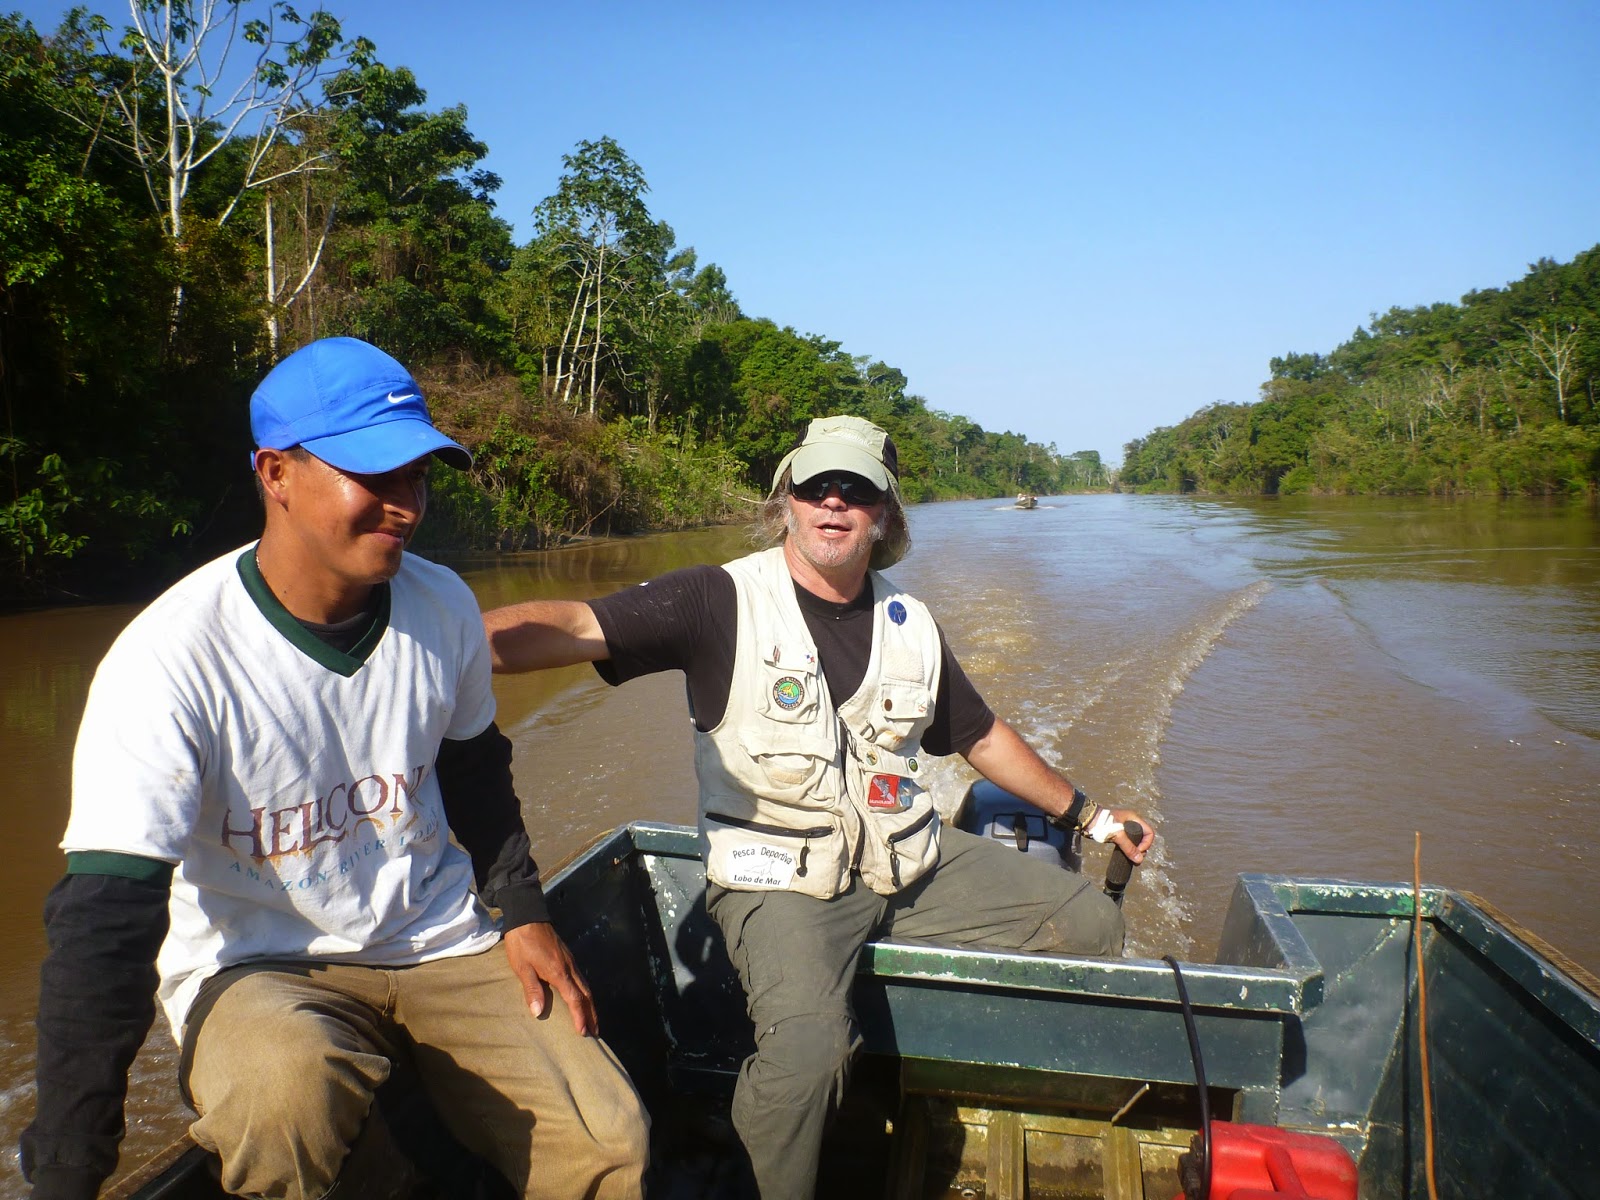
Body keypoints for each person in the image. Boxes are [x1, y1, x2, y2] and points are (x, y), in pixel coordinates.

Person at [21, 338, 649, 1200]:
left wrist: (524, 914)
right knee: (281, 1097)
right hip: (260, 962)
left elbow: (476, 779)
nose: (407, 506)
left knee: (607, 1140)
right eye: (376, 477)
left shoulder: (444, 608)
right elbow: (104, 921)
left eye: (419, 477)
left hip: (435, 940)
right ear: (275, 473)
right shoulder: (170, 661)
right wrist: (66, 1170)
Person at [481, 414, 1155, 1200]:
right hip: (780, 880)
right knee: (809, 1055)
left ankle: (915, 1061)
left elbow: (980, 736)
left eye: (857, 489)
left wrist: (1090, 817)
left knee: (1092, 923)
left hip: (906, 859)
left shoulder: (912, 625)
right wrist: (447, 639)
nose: (834, 503)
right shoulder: (717, 599)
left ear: (885, 514)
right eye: (816, 486)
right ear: (787, 502)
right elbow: (572, 625)